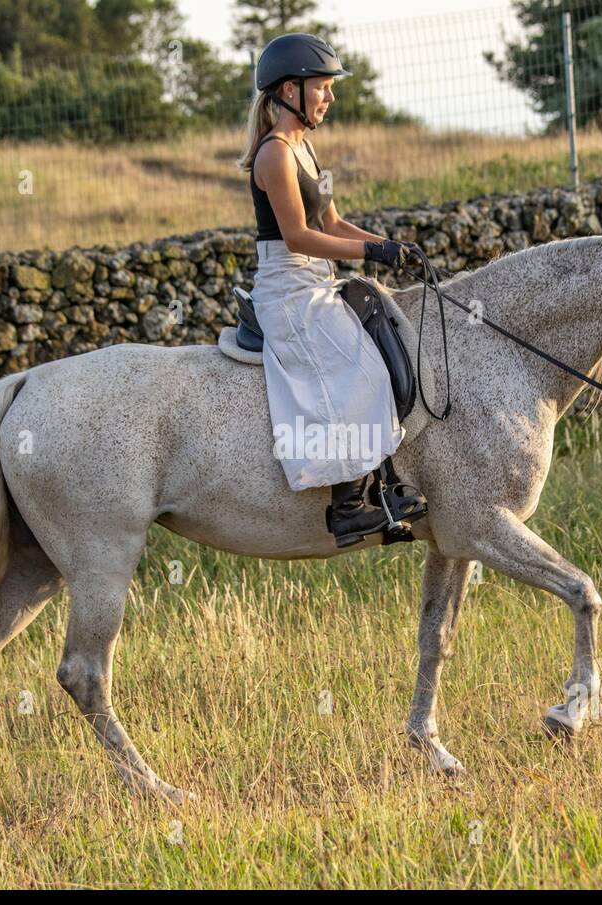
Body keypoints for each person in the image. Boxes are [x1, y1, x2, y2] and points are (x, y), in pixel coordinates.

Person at [240, 32, 427, 546]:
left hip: (313, 276)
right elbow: (299, 234)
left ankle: (384, 486)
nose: (330, 97)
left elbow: (334, 222)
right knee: (356, 364)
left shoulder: (307, 151)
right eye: (323, 87)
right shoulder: (275, 155)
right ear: (289, 91)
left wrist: (389, 245)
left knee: (379, 342)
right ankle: (347, 506)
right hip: (287, 284)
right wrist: (370, 255)